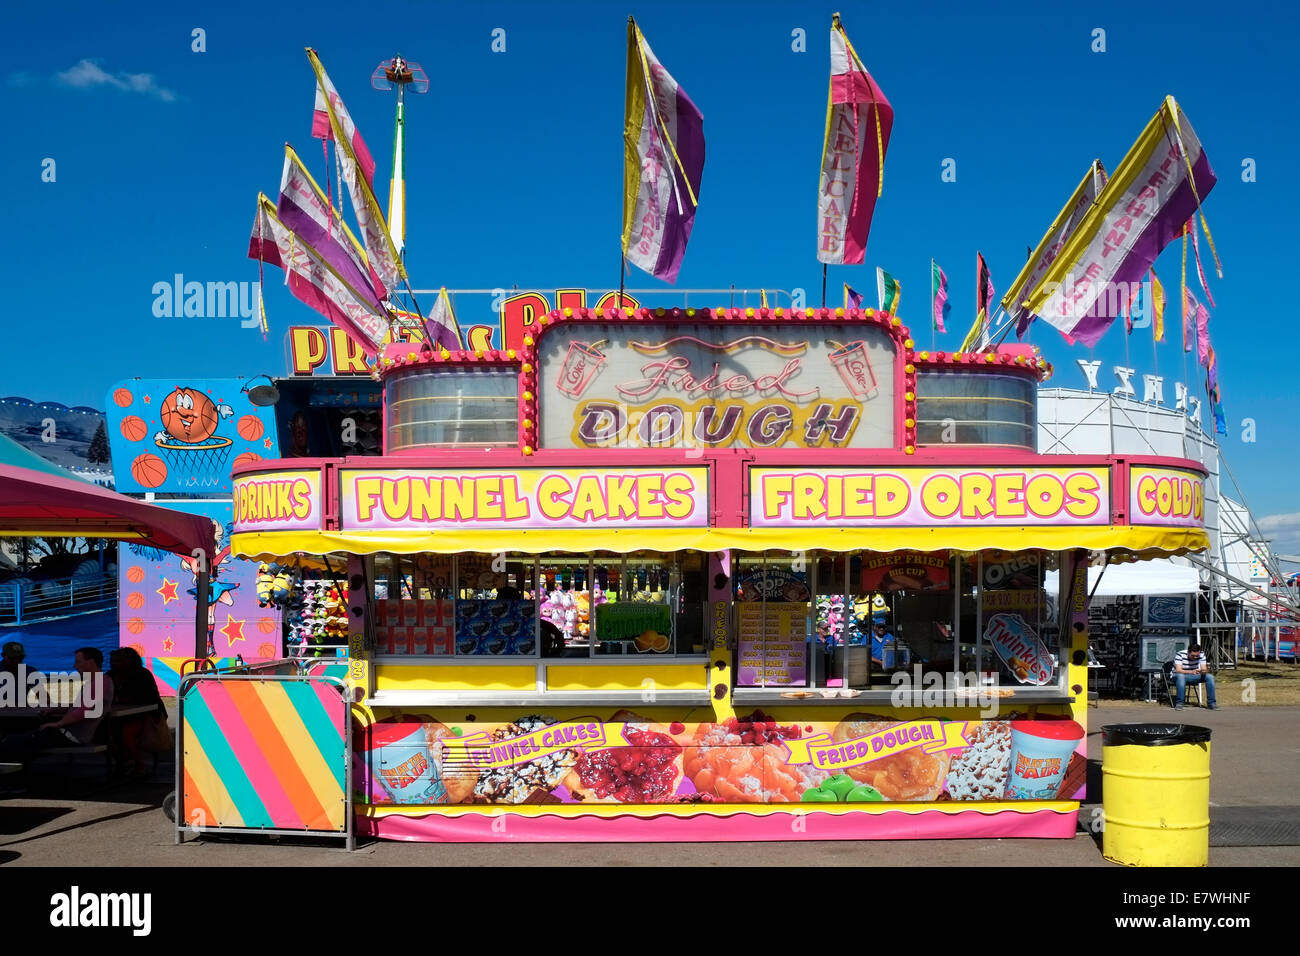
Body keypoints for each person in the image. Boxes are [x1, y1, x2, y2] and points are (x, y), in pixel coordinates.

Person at [108, 647, 165, 776]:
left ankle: (140, 765)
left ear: (131, 661)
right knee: (104, 733)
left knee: (126, 734)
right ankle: (122, 760)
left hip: (145, 715)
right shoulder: (110, 675)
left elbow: (148, 697)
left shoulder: (142, 674)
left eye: (119, 660)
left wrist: (122, 699)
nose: (114, 663)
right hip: (118, 715)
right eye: (112, 660)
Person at [1172, 642, 1218, 710]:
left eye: (1197, 656)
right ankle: (1180, 703)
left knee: (1210, 677)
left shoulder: (1201, 654)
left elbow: (1204, 668)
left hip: (1193, 676)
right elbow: (1178, 670)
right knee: (1181, 677)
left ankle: (1212, 703)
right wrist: (1191, 671)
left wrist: (1203, 671)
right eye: (1193, 655)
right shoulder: (1180, 654)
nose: (1195, 657)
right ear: (1188, 652)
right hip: (1178, 676)